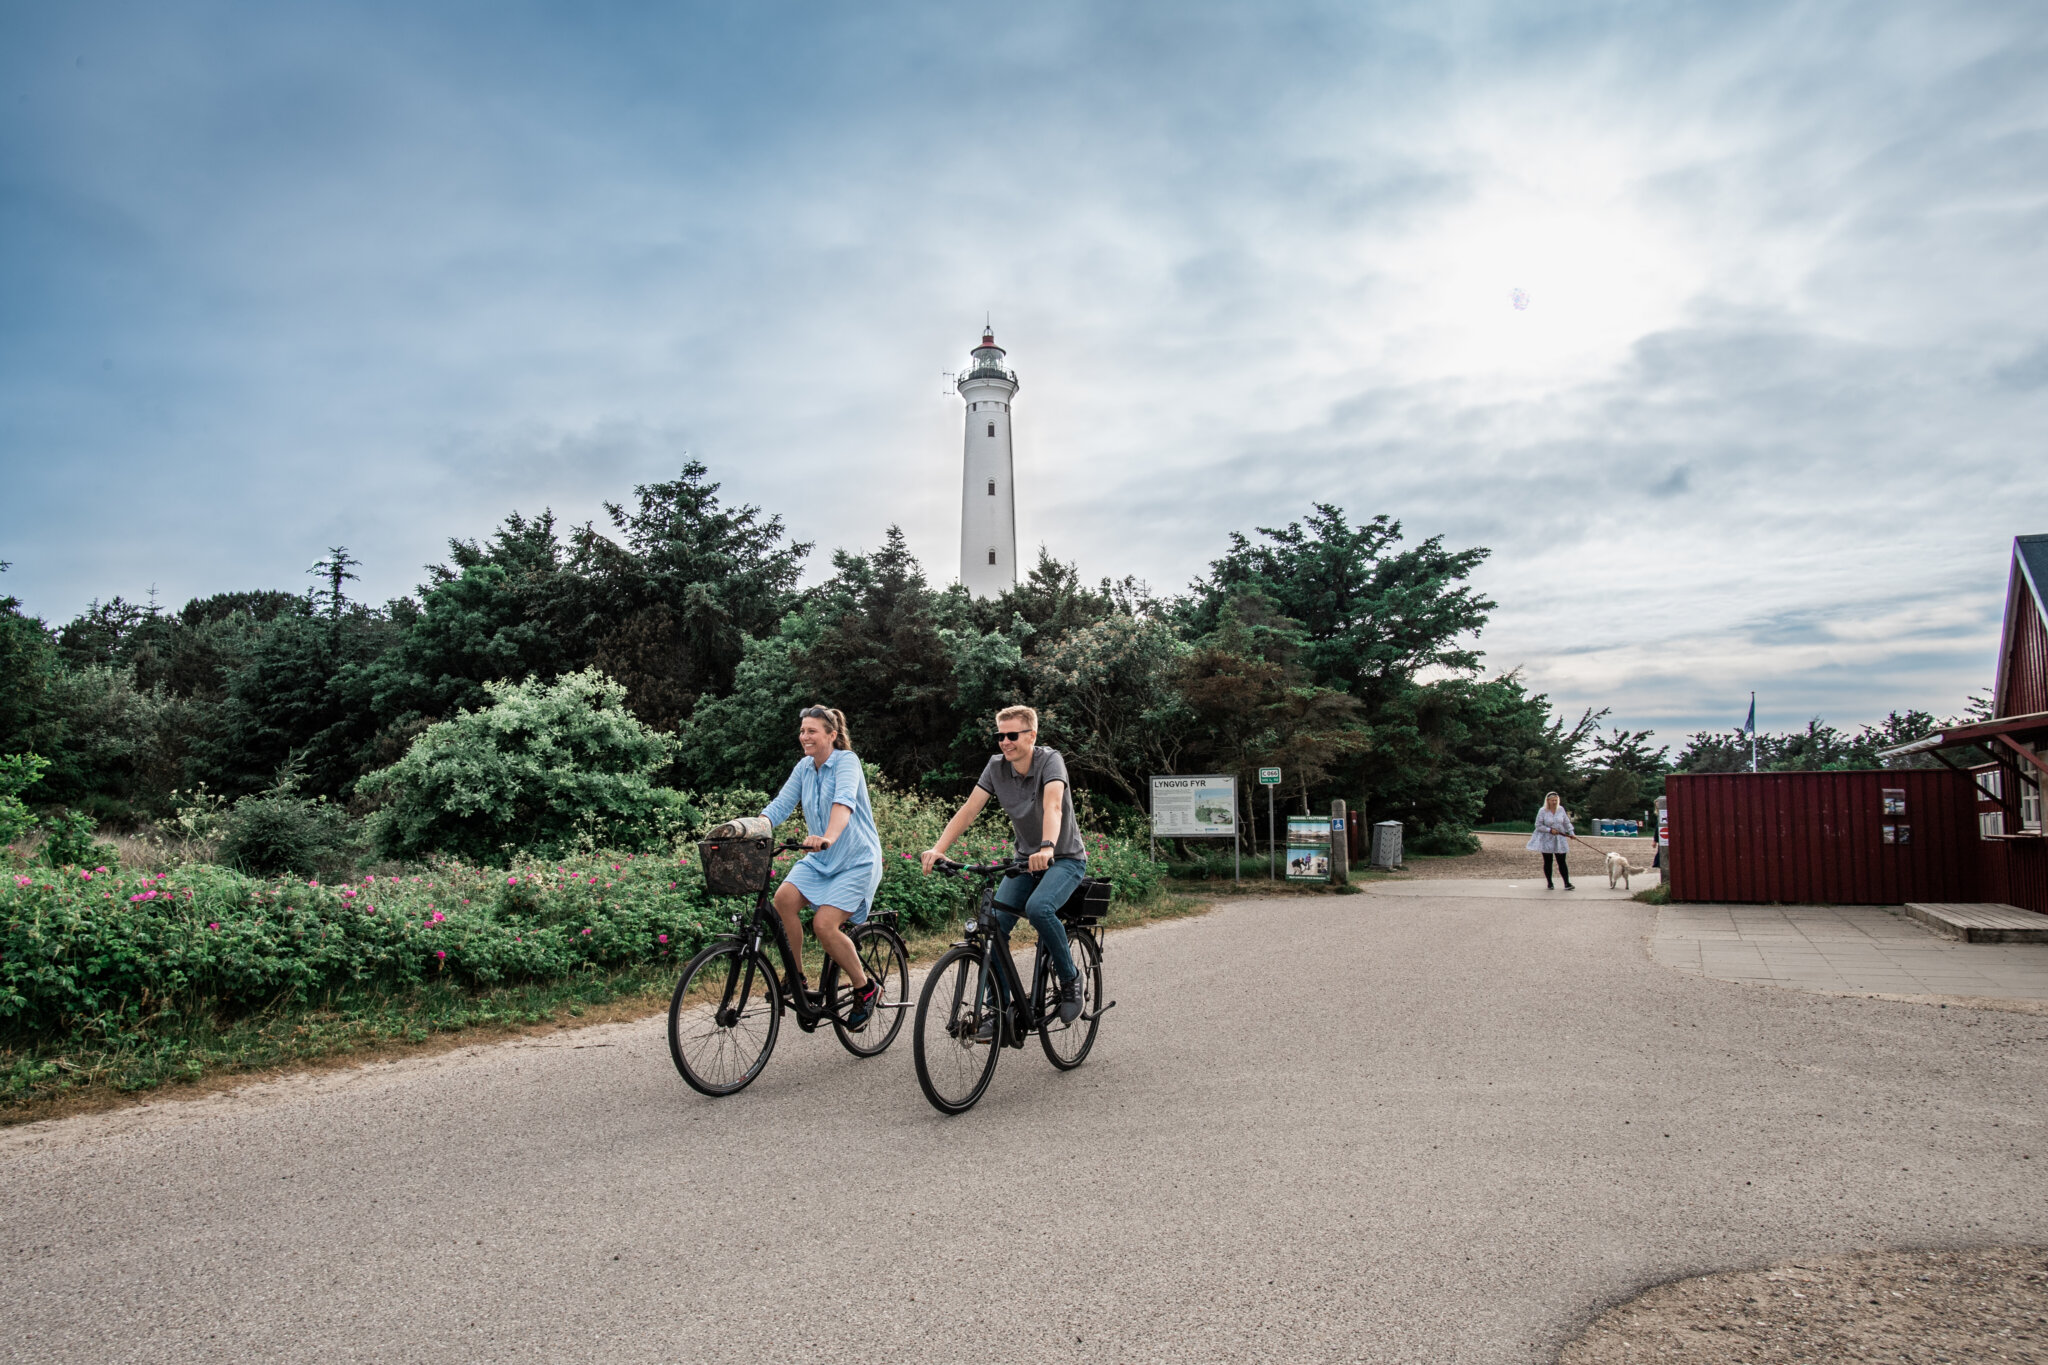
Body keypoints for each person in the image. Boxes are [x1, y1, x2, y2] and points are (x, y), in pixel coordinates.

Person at [921, 705, 1085, 1025]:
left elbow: (1053, 806)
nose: (1005, 742)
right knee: (993, 925)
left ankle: (1070, 979)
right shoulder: (996, 767)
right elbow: (970, 809)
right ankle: (999, 1006)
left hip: (1064, 858)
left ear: (1031, 735)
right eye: (1000, 736)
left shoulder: (1050, 761)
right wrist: (939, 849)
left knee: (1039, 908)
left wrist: (1048, 847)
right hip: (1025, 861)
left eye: (1012, 735)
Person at [761, 706, 885, 1028]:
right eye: (803, 731)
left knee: (824, 924)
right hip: (821, 858)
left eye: (812, 731)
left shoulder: (847, 762)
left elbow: (843, 802)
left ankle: (865, 988)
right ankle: (797, 977)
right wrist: (756, 826)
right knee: (783, 899)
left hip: (857, 860)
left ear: (832, 735)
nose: (804, 736)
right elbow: (780, 805)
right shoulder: (804, 768)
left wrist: (828, 836)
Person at [1528, 791, 1575, 890]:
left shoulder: (1561, 809)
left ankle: (1567, 883)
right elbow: (1538, 825)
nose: (1554, 802)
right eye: (1552, 800)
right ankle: (1550, 882)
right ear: (1548, 801)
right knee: (1548, 861)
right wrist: (1549, 830)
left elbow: (1566, 822)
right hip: (1546, 838)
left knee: (1562, 861)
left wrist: (1571, 832)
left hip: (1559, 838)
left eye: (1556, 800)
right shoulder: (1542, 811)